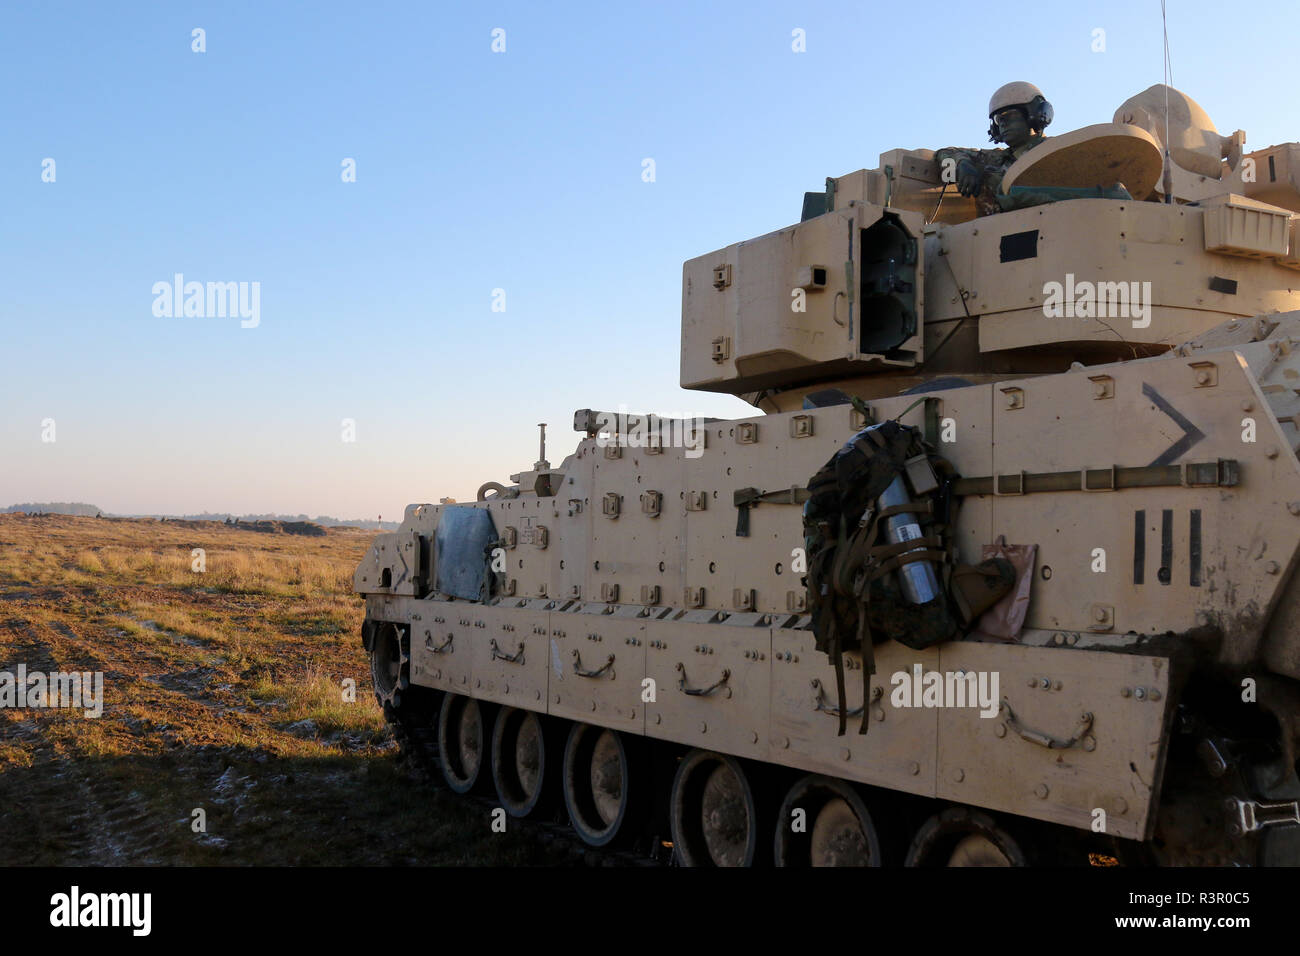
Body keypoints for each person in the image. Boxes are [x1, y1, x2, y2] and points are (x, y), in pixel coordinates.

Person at [935, 82, 1054, 216]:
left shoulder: (1057, 153)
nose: (1002, 123)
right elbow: (944, 153)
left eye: (1010, 114)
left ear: (1035, 115)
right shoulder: (994, 160)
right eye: (998, 119)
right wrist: (962, 164)